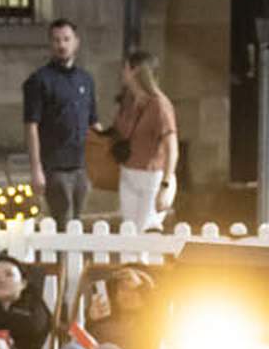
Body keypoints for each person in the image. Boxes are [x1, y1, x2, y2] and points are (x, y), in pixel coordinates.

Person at [22, 18, 98, 226]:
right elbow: (31, 126)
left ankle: (74, 259)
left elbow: (94, 122)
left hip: (82, 164)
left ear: (76, 42)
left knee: (78, 221)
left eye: (66, 39)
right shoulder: (39, 81)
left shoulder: (86, 80)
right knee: (62, 220)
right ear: (50, 44)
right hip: (55, 166)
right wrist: (36, 168)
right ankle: (62, 259)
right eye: (56, 40)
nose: (62, 45)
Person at [107, 51, 178, 230]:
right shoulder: (128, 101)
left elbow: (172, 148)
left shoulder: (159, 105)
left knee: (146, 228)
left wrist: (165, 186)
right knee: (129, 229)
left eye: (126, 68)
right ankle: (132, 259)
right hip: (129, 173)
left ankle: (147, 259)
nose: (122, 73)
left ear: (135, 71)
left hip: (152, 176)